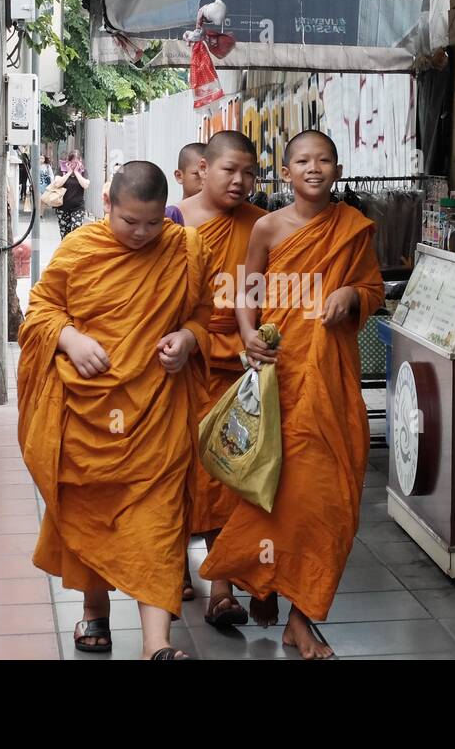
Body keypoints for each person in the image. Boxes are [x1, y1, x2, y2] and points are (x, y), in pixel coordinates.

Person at [17, 160, 216, 660]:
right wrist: (70, 338)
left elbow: (204, 314)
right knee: (91, 514)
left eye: (153, 223)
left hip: (157, 410)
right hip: (89, 410)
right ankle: (94, 612)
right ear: (107, 205)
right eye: (130, 222)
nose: (143, 234)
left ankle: (156, 646)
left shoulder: (186, 248)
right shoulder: (79, 250)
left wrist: (188, 339)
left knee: (160, 519)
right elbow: (39, 312)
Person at [199, 130, 384, 660]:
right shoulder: (267, 226)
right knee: (274, 493)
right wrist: (247, 333)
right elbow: (246, 291)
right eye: (302, 160)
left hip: (330, 382)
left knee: (330, 500)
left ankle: (299, 615)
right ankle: (267, 589)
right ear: (286, 172)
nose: (314, 168)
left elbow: (371, 290)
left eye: (324, 160)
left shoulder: (353, 228)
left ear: (338, 169)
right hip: (279, 379)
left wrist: (349, 295)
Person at [174, 131, 265, 623]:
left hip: (239, 371)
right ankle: (174, 572)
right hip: (182, 369)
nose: (241, 180)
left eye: (250, 172)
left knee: (228, 477)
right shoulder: (171, 222)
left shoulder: (263, 225)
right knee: (179, 475)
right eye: (230, 169)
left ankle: (223, 588)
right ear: (203, 168)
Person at [50, 150, 89, 238]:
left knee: (76, 230)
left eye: (76, 162)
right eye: (71, 161)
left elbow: (85, 185)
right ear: (68, 161)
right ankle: (66, 251)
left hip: (78, 207)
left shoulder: (83, 171)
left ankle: (74, 250)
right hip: (63, 207)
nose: (73, 164)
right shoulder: (62, 169)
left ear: (80, 161)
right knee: (65, 235)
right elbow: (57, 183)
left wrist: (76, 172)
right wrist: (68, 173)